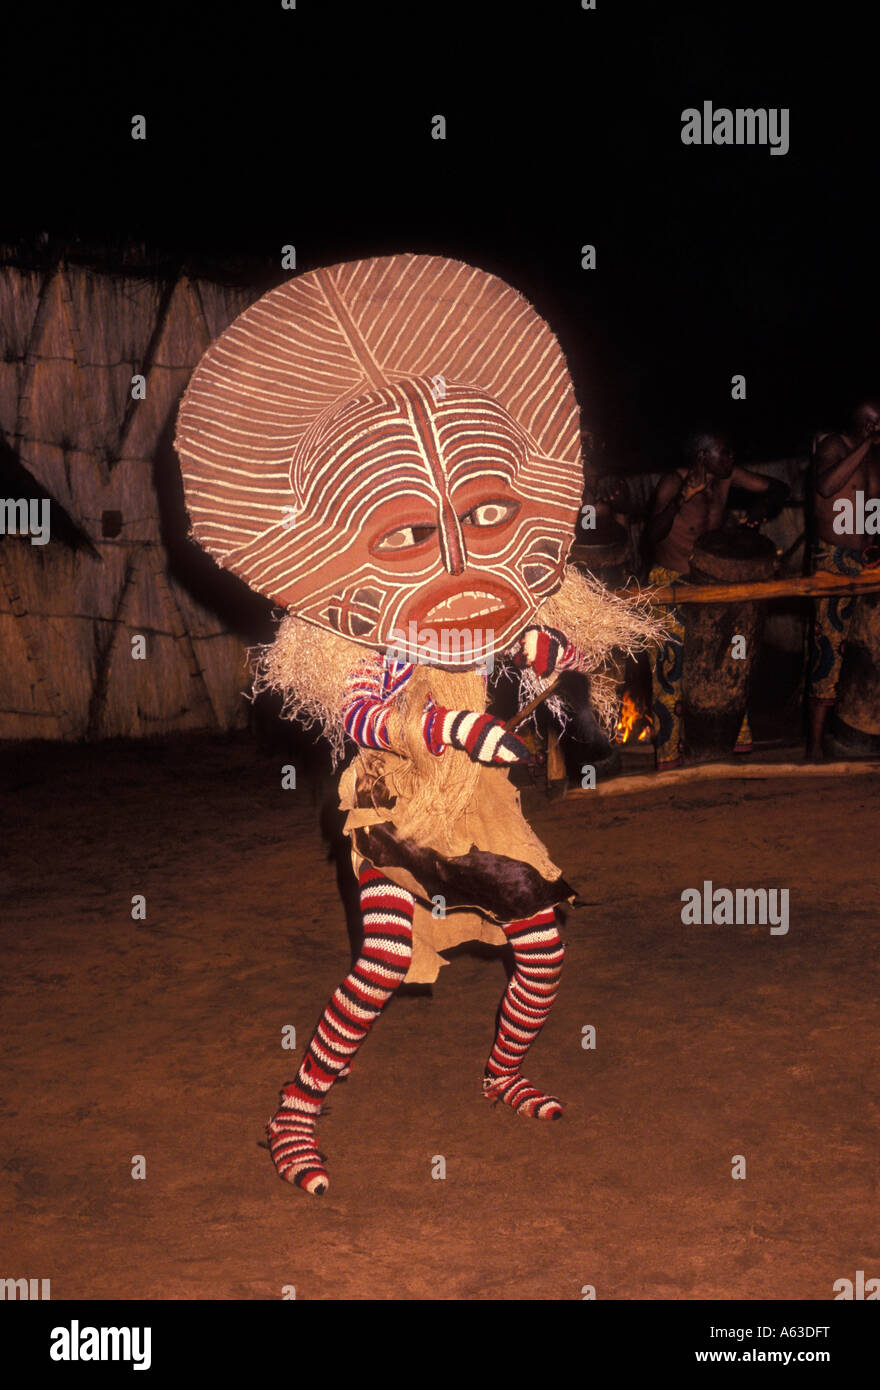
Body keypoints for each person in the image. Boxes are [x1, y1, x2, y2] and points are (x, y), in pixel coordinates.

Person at [175, 252, 659, 1195]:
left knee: (544, 947)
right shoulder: (345, 634)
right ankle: (295, 1113)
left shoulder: (513, 606)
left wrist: (563, 672)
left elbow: (547, 664)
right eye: (404, 533)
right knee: (386, 958)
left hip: (480, 806)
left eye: (484, 515)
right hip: (396, 802)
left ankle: (502, 1072)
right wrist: (443, 735)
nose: (453, 557)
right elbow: (362, 713)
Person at [646, 431, 786, 770]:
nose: (731, 457)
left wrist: (756, 514)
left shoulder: (727, 478)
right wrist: (682, 498)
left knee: (730, 658)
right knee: (670, 670)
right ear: (702, 456)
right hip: (672, 582)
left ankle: (727, 740)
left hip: (715, 583)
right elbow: (648, 537)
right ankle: (668, 755)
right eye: (724, 452)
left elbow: (780, 489)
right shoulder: (671, 483)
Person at [807, 400, 880, 759]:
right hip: (832, 560)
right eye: (874, 425)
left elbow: (872, 509)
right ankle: (815, 746)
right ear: (863, 425)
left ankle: (859, 731)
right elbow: (825, 487)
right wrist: (865, 446)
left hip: (866, 560)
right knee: (828, 652)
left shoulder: (875, 459)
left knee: (868, 648)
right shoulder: (835, 445)